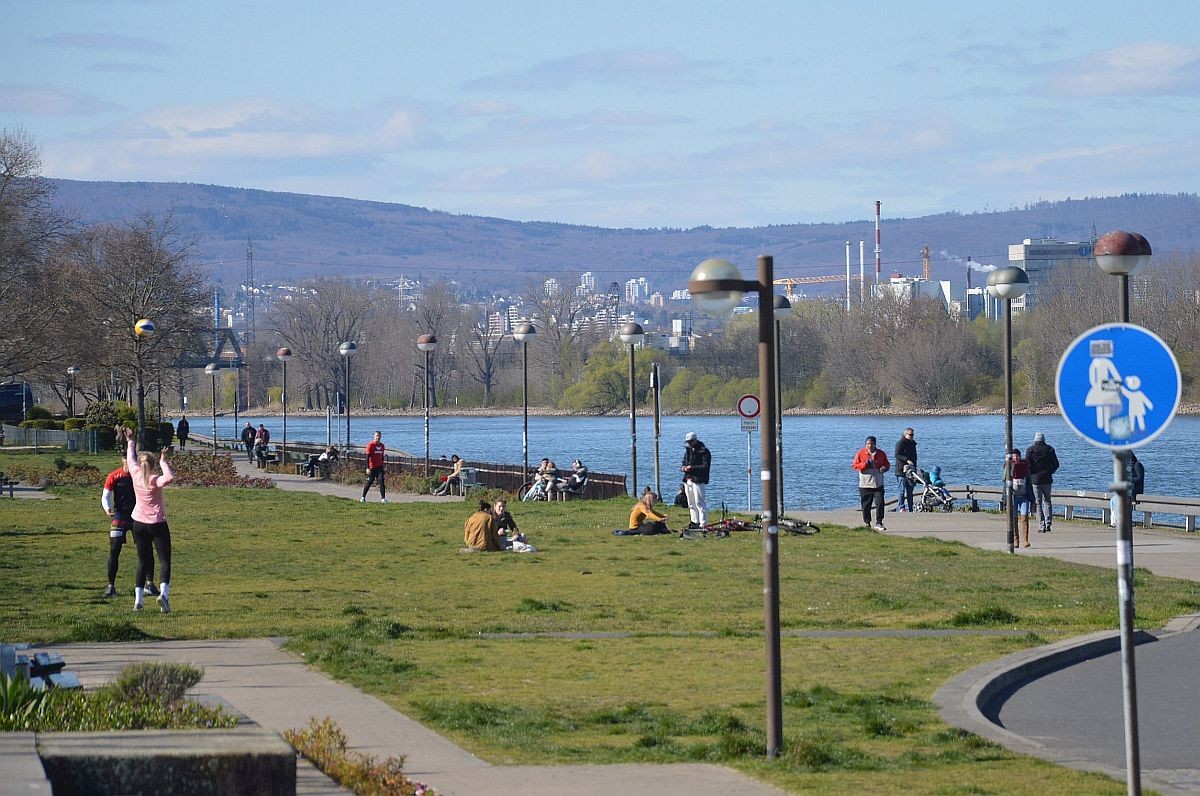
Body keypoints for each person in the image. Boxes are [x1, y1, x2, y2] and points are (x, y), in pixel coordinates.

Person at [123, 427, 175, 613]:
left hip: (139, 523)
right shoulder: (155, 480)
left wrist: (130, 440)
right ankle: (164, 595)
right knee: (164, 560)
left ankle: (138, 601)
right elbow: (169, 478)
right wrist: (164, 460)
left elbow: (130, 458)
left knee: (142, 561)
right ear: (153, 465)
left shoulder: (136, 474)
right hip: (157, 524)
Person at [101, 456, 155, 598]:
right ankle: (111, 586)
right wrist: (107, 509)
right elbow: (105, 495)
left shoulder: (139, 476)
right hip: (120, 517)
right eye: (129, 459)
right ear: (122, 459)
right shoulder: (114, 476)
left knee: (146, 549)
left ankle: (150, 583)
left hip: (139, 516)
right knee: (114, 550)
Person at [852, 435, 890, 531]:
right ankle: (867, 522)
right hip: (865, 484)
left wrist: (884, 468)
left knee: (880, 503)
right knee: (866, 505)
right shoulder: (860, 453)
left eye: (872, 443)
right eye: (868, 443)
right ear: (865, 444)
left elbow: (887, 464)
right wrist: (865, 464)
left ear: (875, 444)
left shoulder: (881, 453)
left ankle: (879, 522)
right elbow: (855, 466)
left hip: (878, 484)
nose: (870, 445)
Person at [1025, 431, 1060, 533]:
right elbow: (1056, 464)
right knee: (1047, 501)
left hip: (1035, 480)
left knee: (1038, 503)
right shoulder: (1050, 449)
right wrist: (1050, 472)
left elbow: (1027, 465)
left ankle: (1041, 525)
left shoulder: (1030, 450)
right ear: (1043, 439)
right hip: (1047, 479)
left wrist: (1031, 474)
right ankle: (1048, 523)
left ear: (1035, 440)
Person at [680, 432, 711, 529]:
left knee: (699, 502)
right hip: (688, 479)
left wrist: (691, 468)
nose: (689, 444)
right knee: (691, 503)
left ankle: (703, 523)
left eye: (690, 442)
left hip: (698, 480)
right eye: (688, 442)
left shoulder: (704, 452)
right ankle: (694, 522)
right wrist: (683, 467)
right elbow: (684, 462)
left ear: (695, 440)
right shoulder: (688, 451)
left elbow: (705, 467)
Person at [1004, 448, 1032, 548]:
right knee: (1014, 518)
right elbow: (1004, 480)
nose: (1016, 457)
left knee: (1024, 518)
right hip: (1013, 496)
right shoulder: (1008, 466)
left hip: (1024, 496)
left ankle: (1025, 540)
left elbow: (1029, 482)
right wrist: (1008, 467)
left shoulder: (1025, 466)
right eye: (1014, 456)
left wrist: (1032, 499)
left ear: (1020, 456)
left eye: (1017, 456)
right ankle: (1016, 540)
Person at [1110, 453, 1145, 528]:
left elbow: (1139, 478)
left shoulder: (1137, 465)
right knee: (1113, 500)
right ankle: (1114, 521)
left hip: (1135, 491)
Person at [893, 428, 917, 512]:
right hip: (901, 471)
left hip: (911, 471)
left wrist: (915, 468)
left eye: (913, 435)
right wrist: (907, 460)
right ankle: (901, 507)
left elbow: (914, 457)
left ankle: (911, 508)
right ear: (905, 434)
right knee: (901, 490)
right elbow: (897, 454)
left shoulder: (913, 444)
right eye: (910, 435)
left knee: (910, 491)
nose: (912, 436)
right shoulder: (900, 443)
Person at [360, 431, 387, 503]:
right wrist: (367, 467)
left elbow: (382, 456)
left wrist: (382, 466)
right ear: (374, 436)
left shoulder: (382, 446)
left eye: (379, 436)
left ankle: (383, 499)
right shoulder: (370, 445)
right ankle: (363, 497)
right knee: (369, 482)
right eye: (376, 436)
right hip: (372, 467)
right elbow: (367, 457)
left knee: (381, 481)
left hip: (379, 467)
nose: (378, 437)